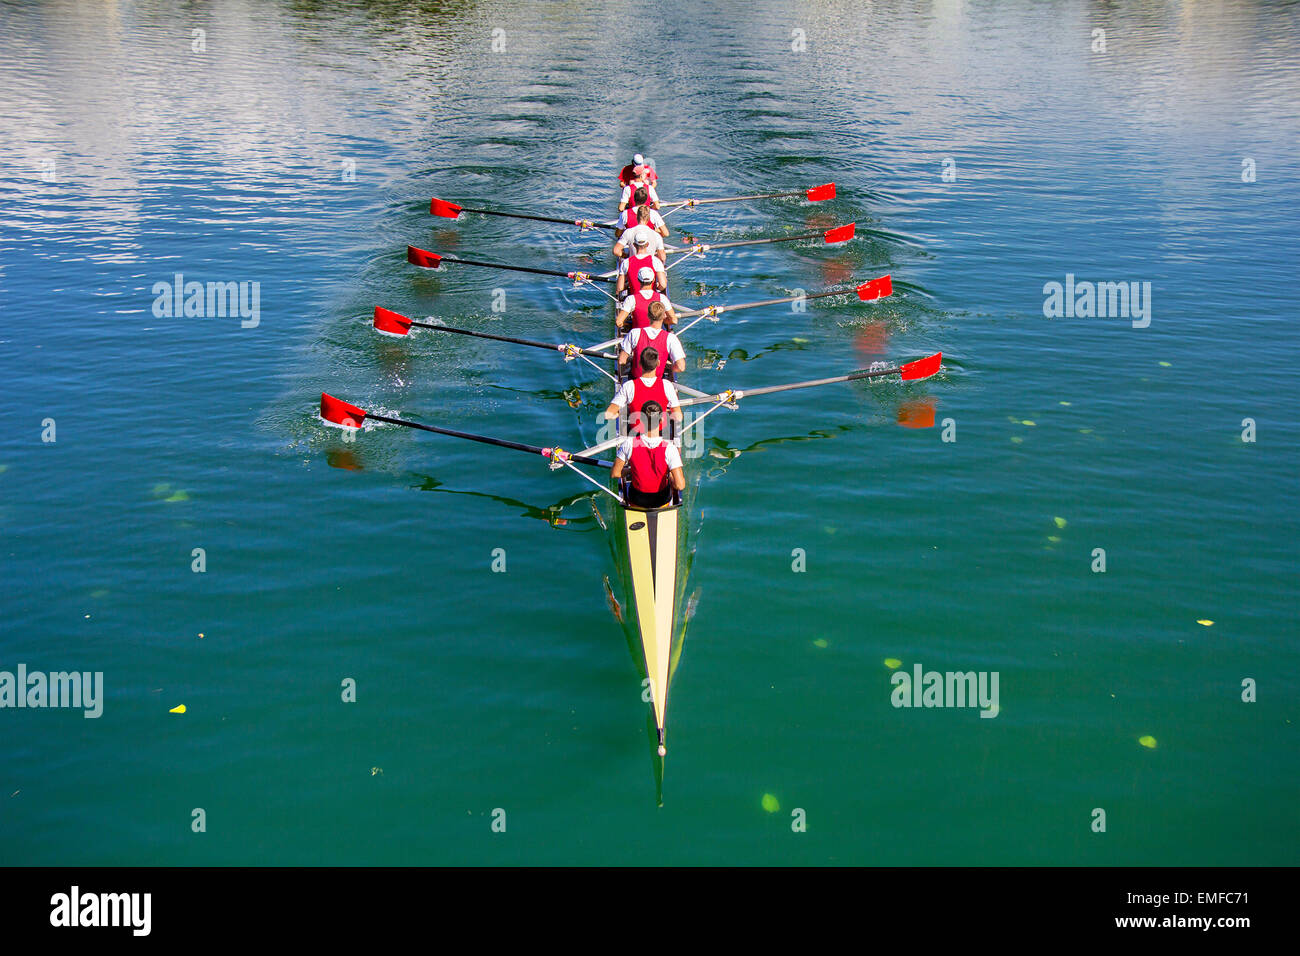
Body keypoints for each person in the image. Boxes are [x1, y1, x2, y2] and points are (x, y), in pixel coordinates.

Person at [611, 400, 684, 509]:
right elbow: (680, 485)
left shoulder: (629, 444)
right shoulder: (670, 448)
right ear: (662, 420)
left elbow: (615, 474)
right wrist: (670, 475)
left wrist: (633, 470)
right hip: (662, 501)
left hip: (636, 501)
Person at [605, 348, 683, 435]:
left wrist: (624, 413)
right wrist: (664, 412)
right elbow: (678, 417)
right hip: (659, 433)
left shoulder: (629, 386)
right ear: (658, 364)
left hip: (635, 434)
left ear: (639, 364)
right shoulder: (667, 385)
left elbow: (609, 415)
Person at [618, 301, 685, 378]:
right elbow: (681, 367)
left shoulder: (635, 333)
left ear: (648, 315)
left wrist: (634, 359)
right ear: (664, 316)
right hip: (658, 381)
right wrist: (667, 366)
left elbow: (621, 360)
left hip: (636, 381)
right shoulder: (671, 338)